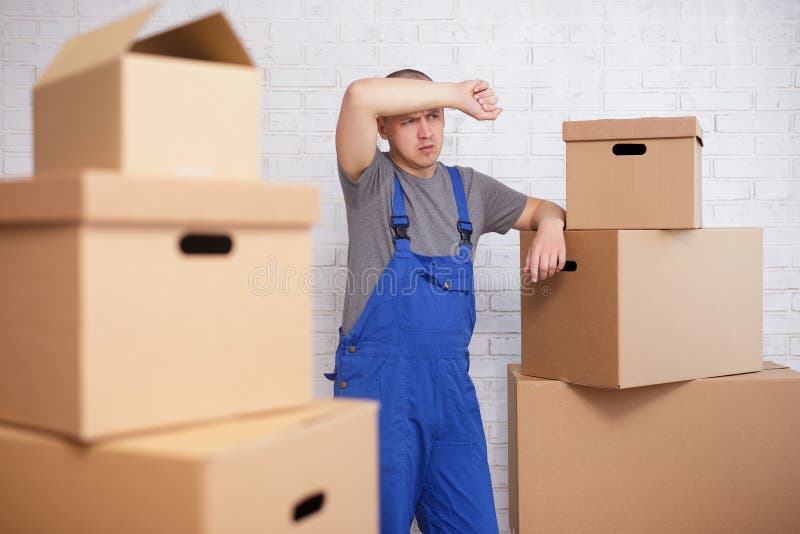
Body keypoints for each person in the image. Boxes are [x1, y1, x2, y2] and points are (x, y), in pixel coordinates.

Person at [326, 68, 566, 534]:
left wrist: (552, 226)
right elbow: (359, 95)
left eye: (434, 116)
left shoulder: (469, 189)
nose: (425, 132)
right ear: (382, 128)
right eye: (408, 119)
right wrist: (455, 94)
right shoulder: (369, 180)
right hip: (379, 393)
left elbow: (544, 209)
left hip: (450, 396)